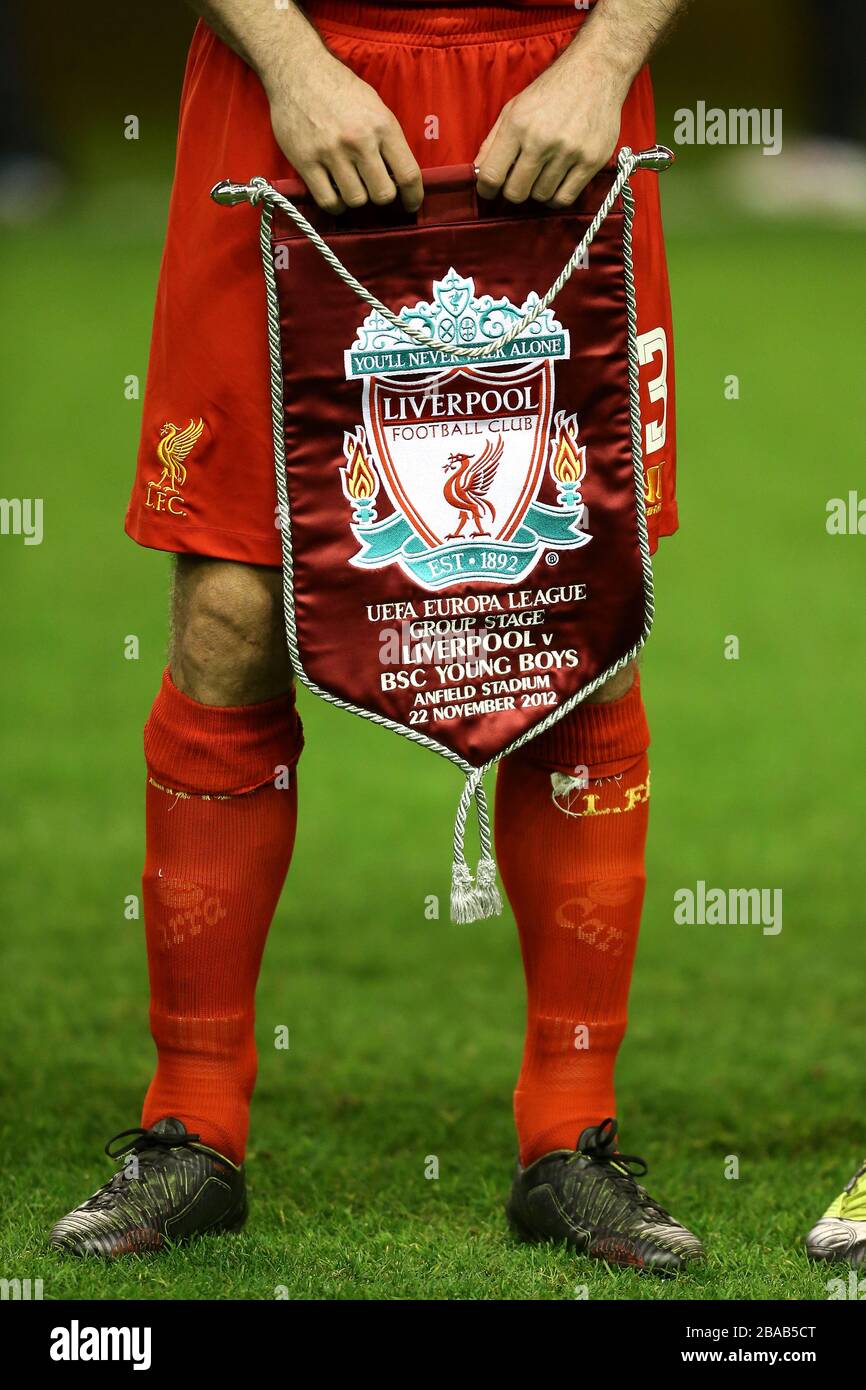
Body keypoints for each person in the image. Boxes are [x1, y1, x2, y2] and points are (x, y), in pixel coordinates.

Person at [50, 0, 699, 1274]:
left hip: (557, 90)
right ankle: (191, 1123)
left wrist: (605, 57)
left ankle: (569, 1135)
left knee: (564, 602)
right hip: (288, 89)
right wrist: (289, 58)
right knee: (228, 616)